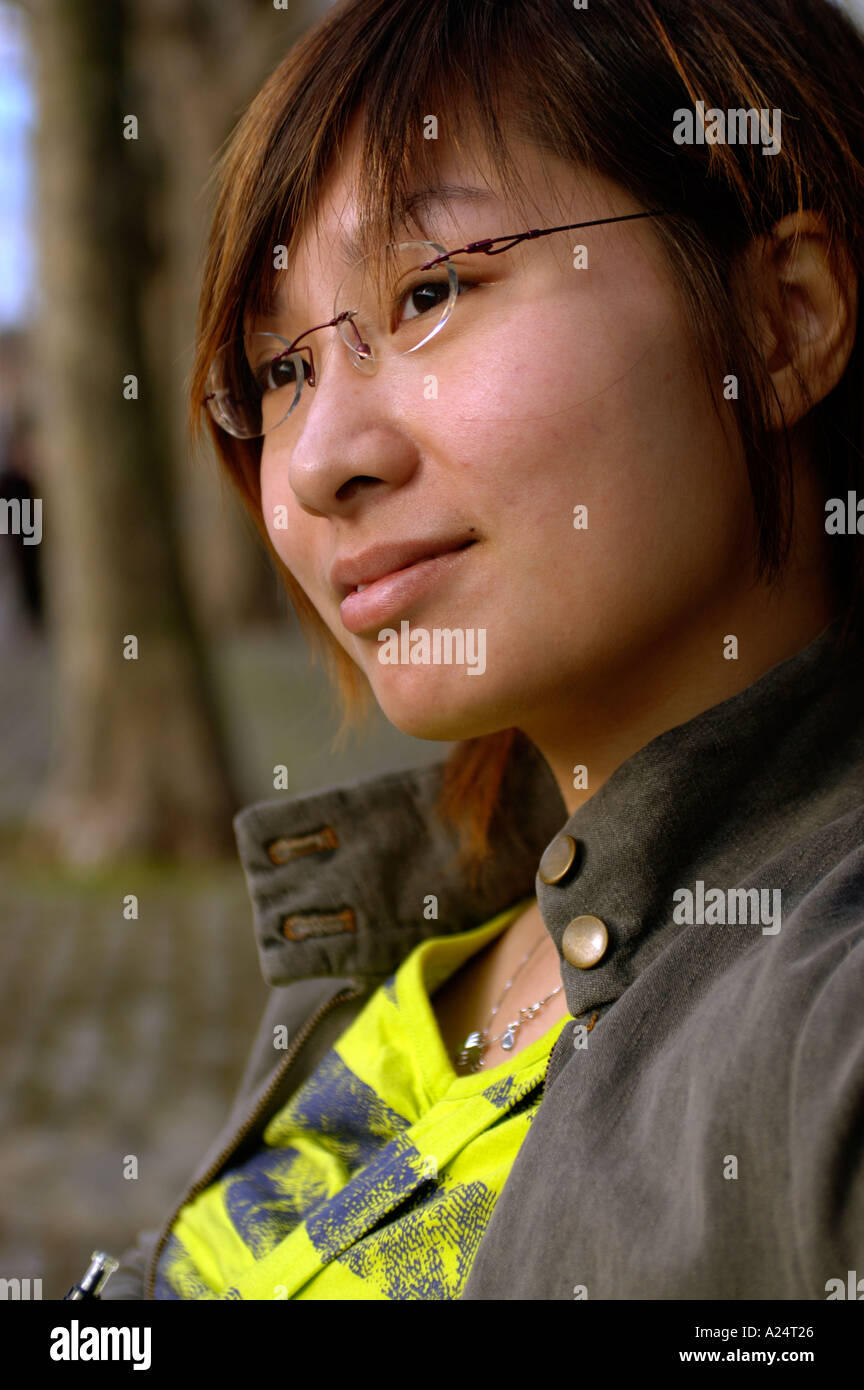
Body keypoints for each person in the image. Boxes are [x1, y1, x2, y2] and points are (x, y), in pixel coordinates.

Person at [101, 0, 864, 1300]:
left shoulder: (821, 1012)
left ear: (782, 319)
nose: (326, 459)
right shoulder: (425, 932)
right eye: (278, 372)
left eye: (432, 289)